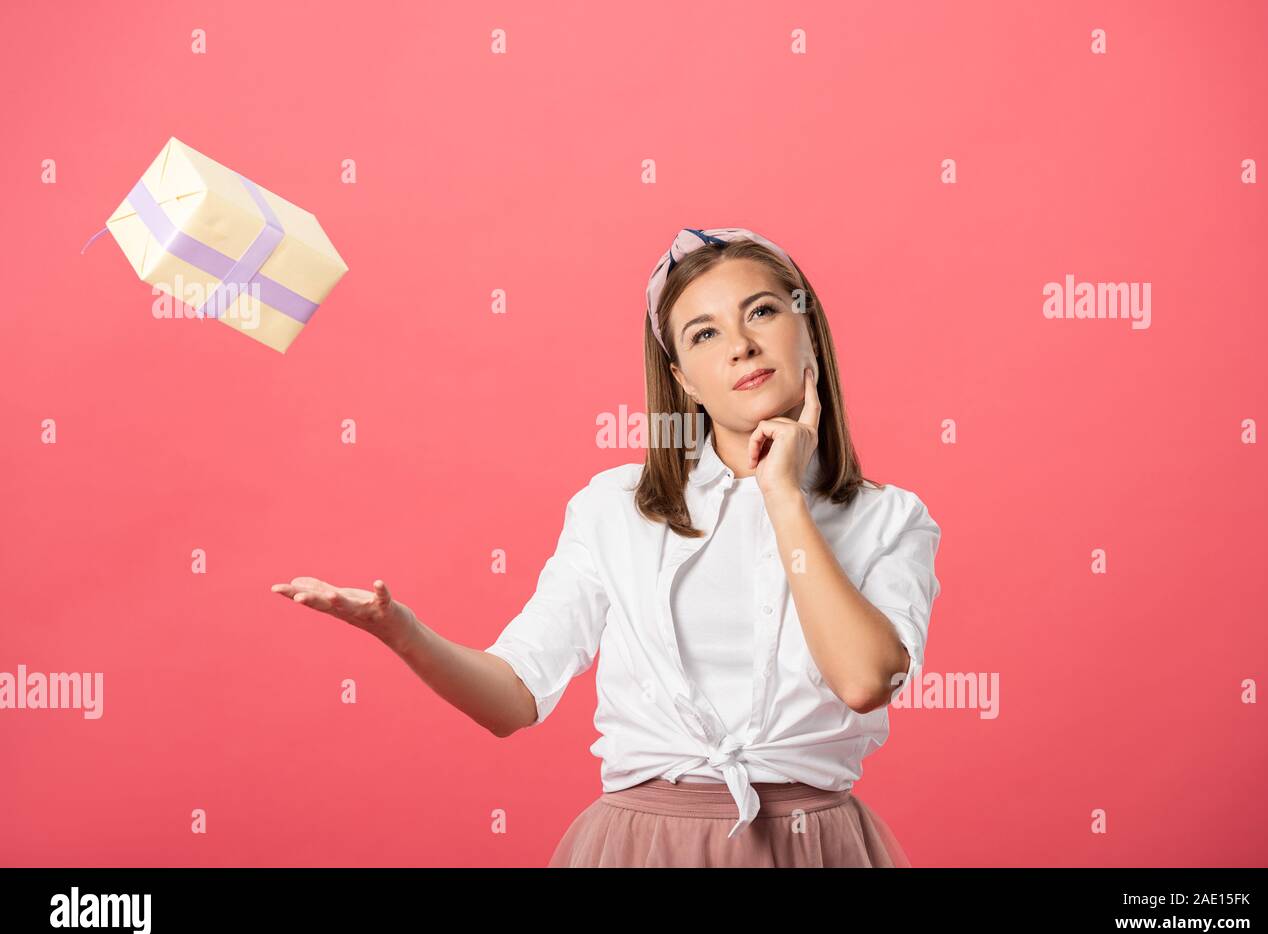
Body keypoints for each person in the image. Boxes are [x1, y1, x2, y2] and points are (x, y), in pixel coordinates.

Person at [272, 226, 941, 867]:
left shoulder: (890, 519)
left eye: (761, 311)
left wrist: (784, 495)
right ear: (683, 380)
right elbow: (513, 698)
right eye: (704, 333)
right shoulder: (613, 510)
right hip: (642, 848)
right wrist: (403, 632)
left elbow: (864, 680)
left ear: (808, 331)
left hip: (812, 847)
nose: (739, 344)